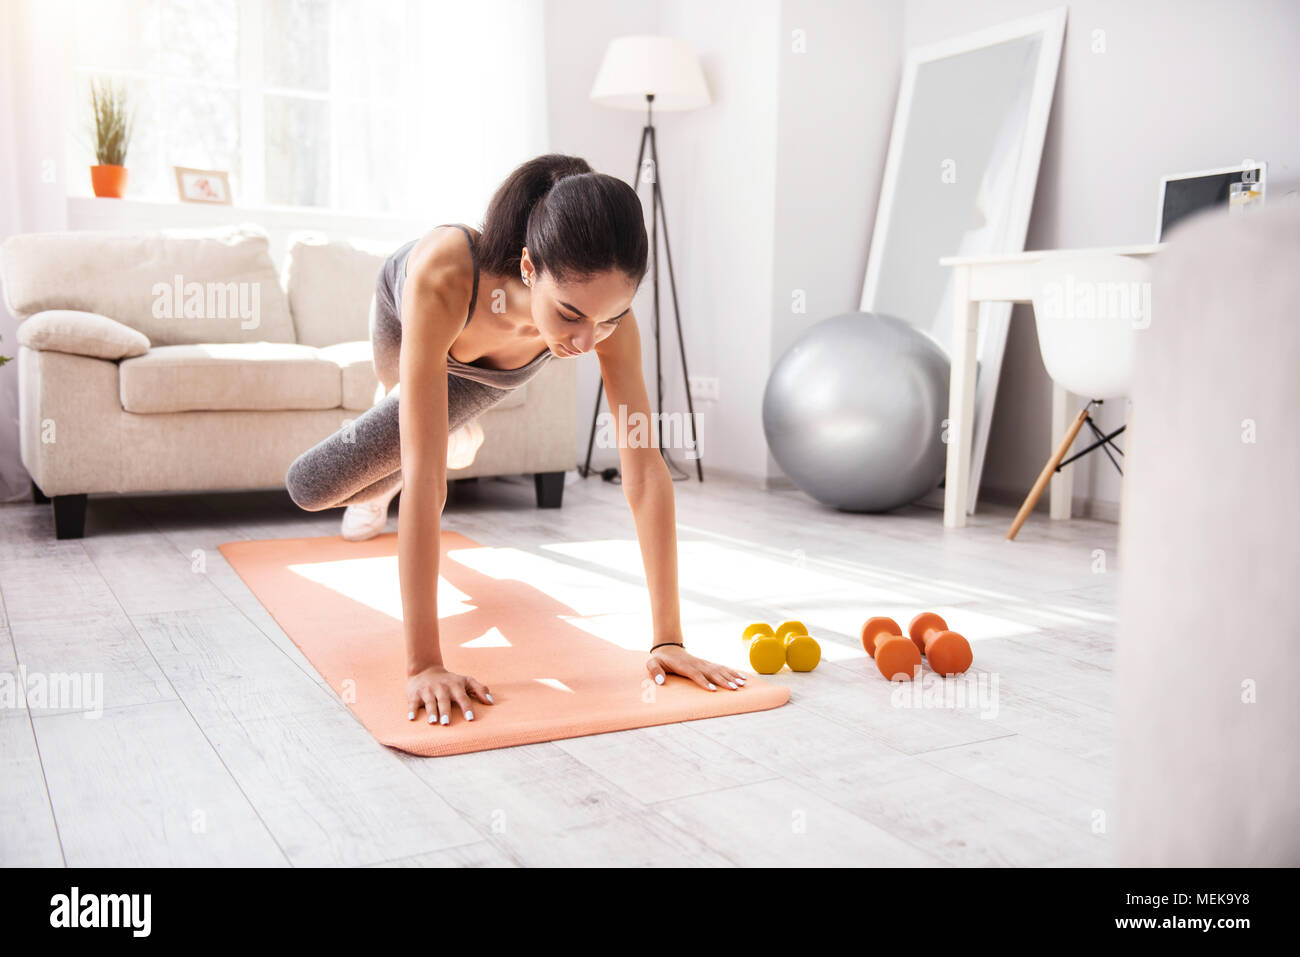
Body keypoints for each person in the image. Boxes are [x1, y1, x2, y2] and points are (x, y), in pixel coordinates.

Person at [285, 153, 747, 725]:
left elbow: (645, 472)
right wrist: (424, 664)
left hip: (485, 376)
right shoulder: (447, 274)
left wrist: (667, 640)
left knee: (418, 443)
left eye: (608, 318)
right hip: (406, 318)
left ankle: (446, 428)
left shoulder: (607, 325)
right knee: (312, 484)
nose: (585, 341)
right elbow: (428, 483)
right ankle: (429, 440)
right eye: (571, 313)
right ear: (529, 268)